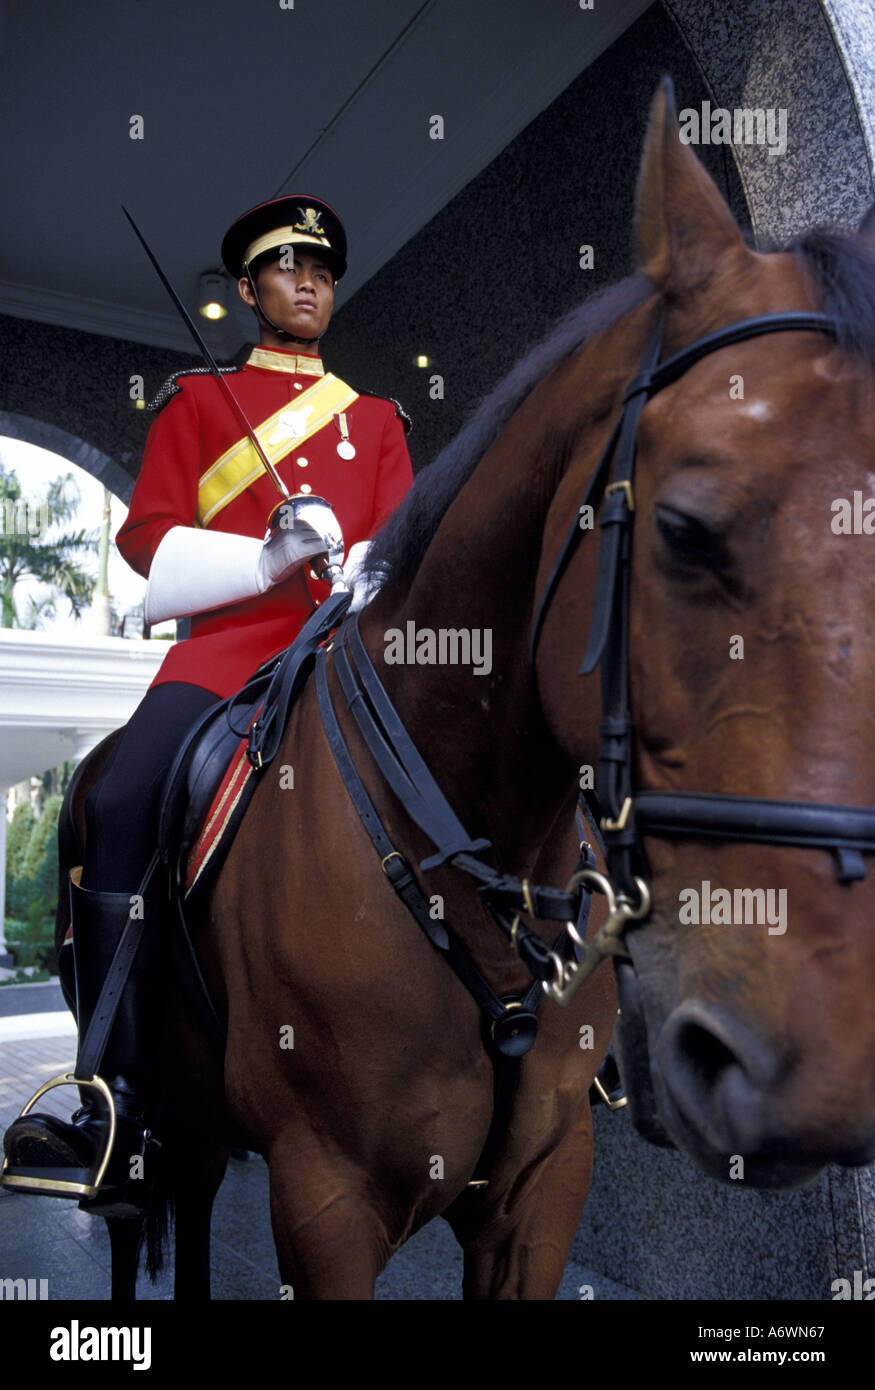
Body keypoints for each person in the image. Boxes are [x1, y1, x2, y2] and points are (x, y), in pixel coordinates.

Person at [2, 195, 413, 1210]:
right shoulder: (198, 402)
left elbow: (409, 545)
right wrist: (264, 552)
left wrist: (362, 561)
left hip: (345, 652)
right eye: (283, 268)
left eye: (320, 267)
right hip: (227, 652)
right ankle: (114, 1093)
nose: (307, 282)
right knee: (121, 795)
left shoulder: (375, 420)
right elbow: (144, 534)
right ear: (248, 291)